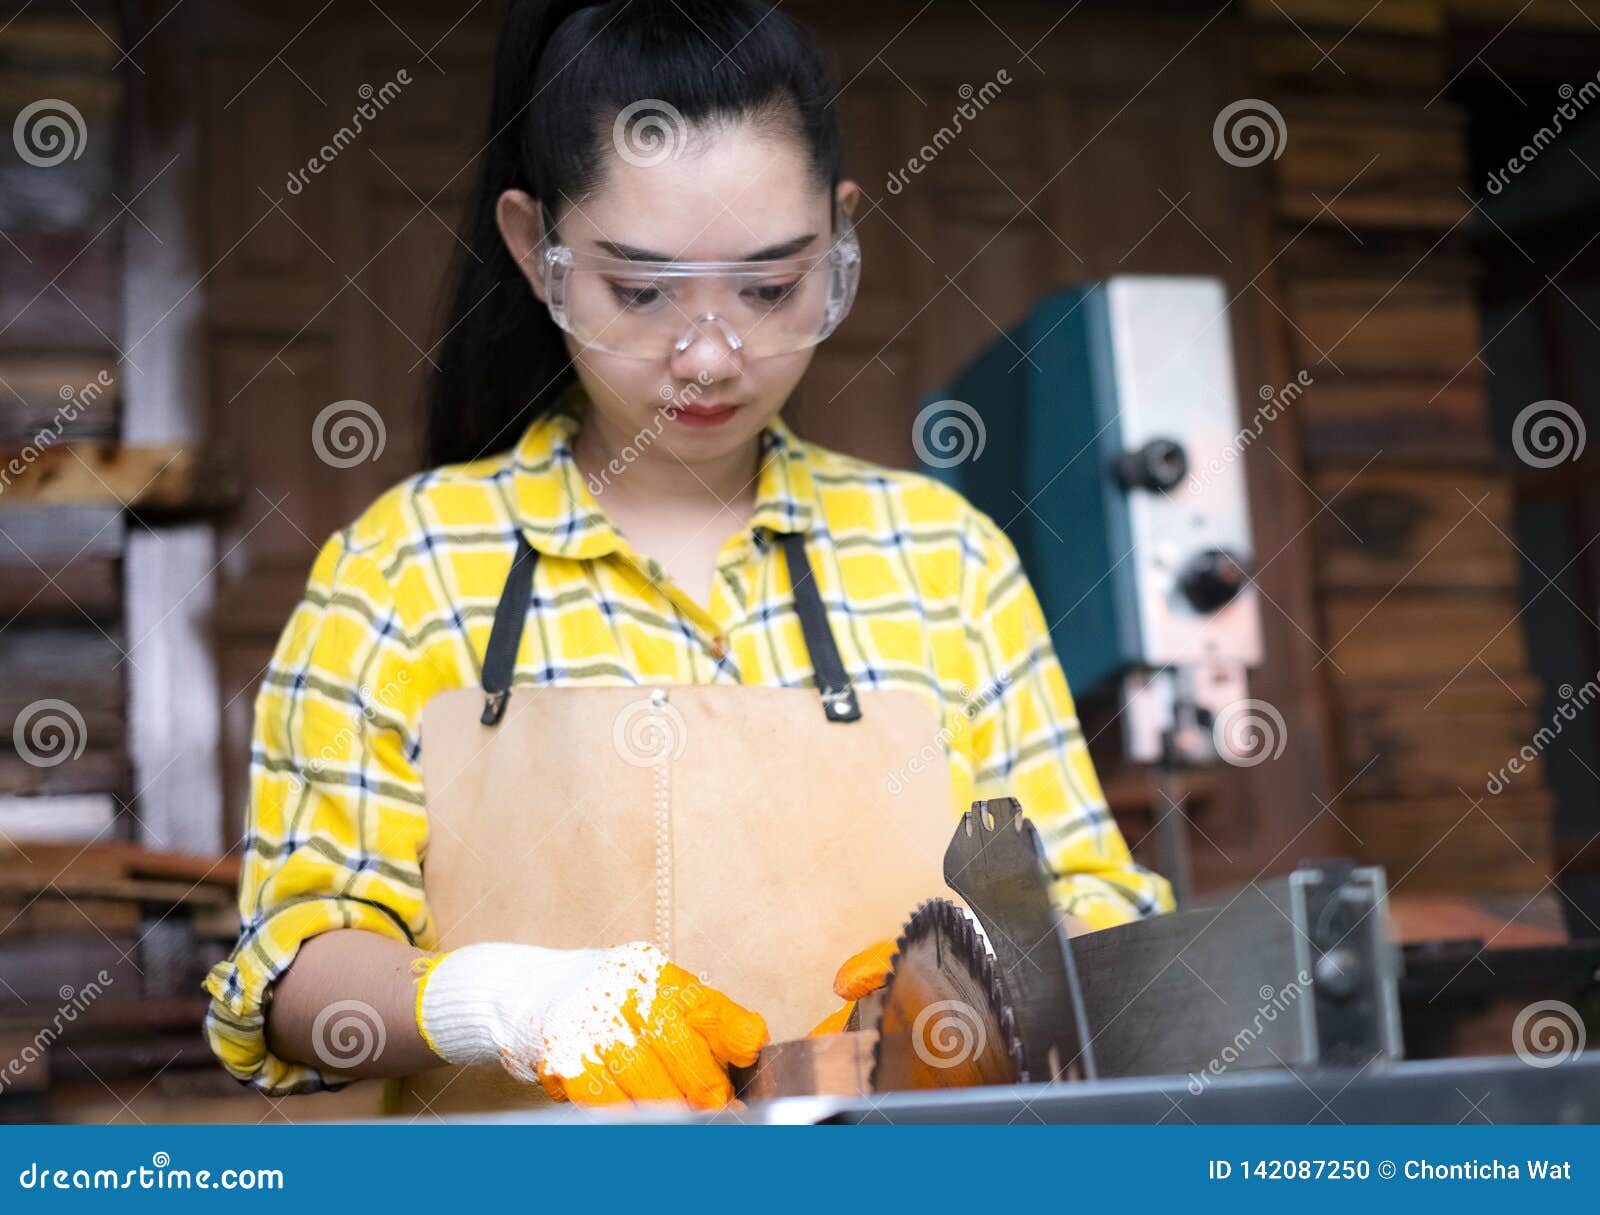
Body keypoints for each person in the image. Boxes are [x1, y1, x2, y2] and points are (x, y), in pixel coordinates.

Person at [202, 0, 1174, 1113]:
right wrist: (510, 1002)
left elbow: (1099, 909)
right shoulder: (406, 565)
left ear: (839, 240)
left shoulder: (946, 561)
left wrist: (1000, 977)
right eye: (642, 290)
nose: (710, 355)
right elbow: (286, 974)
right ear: (536, 250)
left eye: (769, 288)